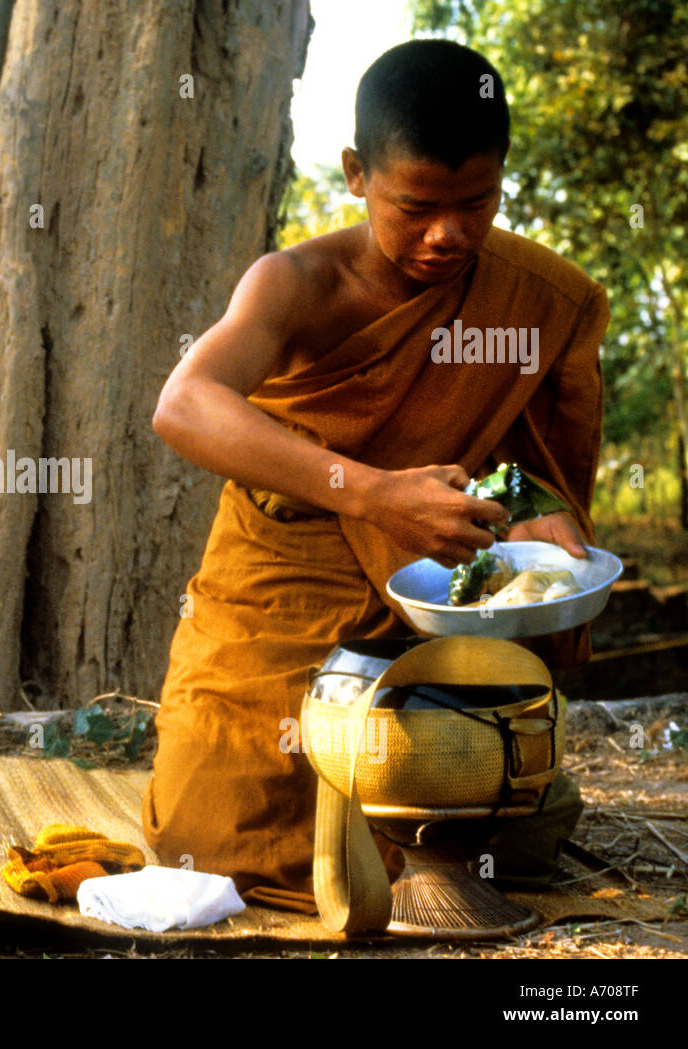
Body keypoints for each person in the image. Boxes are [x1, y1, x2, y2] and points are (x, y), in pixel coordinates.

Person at [142, 39, 608, 914]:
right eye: (417, 205)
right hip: (287, 563)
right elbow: (185, 402)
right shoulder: (297, 283)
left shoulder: (542, 297)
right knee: (216, 833)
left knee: (481, 802)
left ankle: (478, 819)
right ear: (357, 173)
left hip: (439, 580)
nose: (449, 234)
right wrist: (373, 492)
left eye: (477, 202)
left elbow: (539, 469)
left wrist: (536, 526)